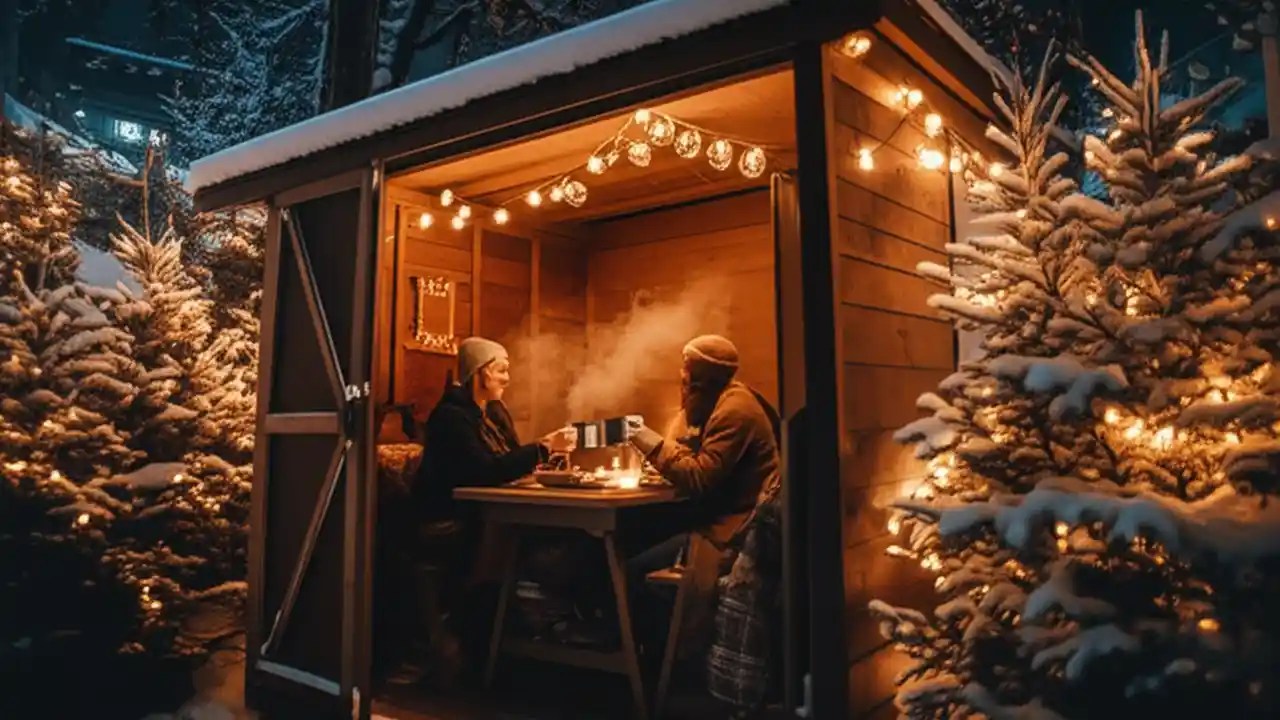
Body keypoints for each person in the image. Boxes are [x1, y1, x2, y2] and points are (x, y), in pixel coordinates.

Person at [411, 336, 576, 674]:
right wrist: (543, 448)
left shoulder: (494, 412)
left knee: (562, 535)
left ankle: (536, 626)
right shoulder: (450, 417)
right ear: (481, 372)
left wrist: (549, 459)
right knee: (526, 540)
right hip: (451, 515)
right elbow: (484, 472)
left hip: (487, 510)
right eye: (501, 370)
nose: (507, 378)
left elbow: (509, 460)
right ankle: (491, 640)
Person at [623, 334, 781, 664]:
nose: (682, 379)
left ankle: (645, 662)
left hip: (732, 531)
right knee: (636, 536)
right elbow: (690, 444)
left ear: (700, 377)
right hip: (723, 518)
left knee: (632, 566)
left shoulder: (734, 411)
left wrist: (644, 439)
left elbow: (699, 478)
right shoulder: (721, 401)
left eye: (687, 374)